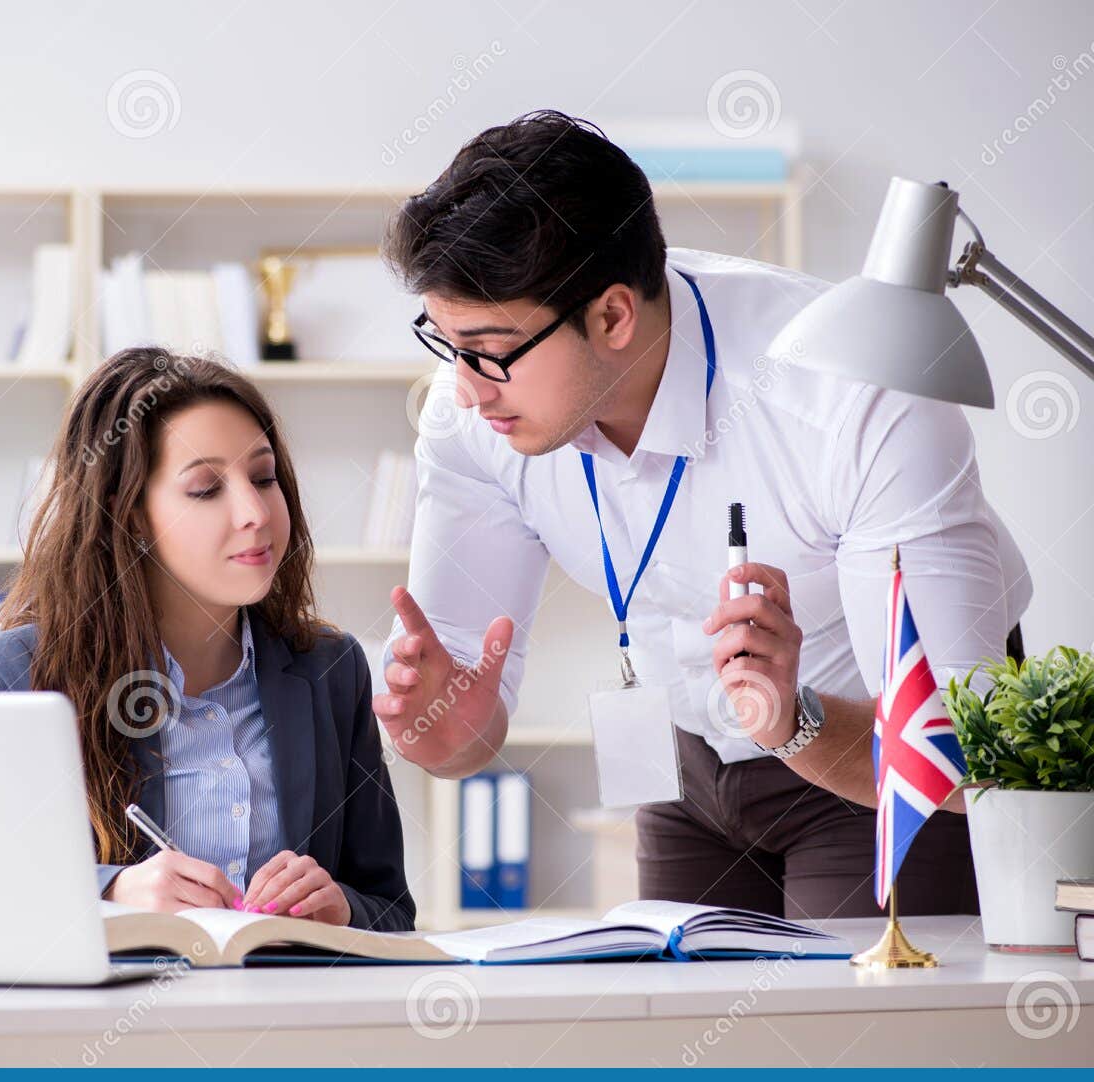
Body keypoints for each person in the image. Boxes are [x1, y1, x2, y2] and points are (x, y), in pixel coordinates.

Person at [372, 111, 1030, 920]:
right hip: (689, 765)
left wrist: (793, 722)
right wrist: (443, 729)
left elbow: (962, 752)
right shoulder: (473, 414)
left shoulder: (851, 395)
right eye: (447, 344)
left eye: (490, 349)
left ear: (612, 317)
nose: (468, 389)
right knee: (682, 997)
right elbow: (455, 732)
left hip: (869, 757)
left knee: (850, 1001)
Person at [0, 347, 415, 932]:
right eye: (206, 489)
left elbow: (391, 911)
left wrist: (341, 908)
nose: (255, 512)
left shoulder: (331, 668)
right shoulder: (25, 669)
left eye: (263, 478)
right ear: (129, 515)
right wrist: (111, 891)